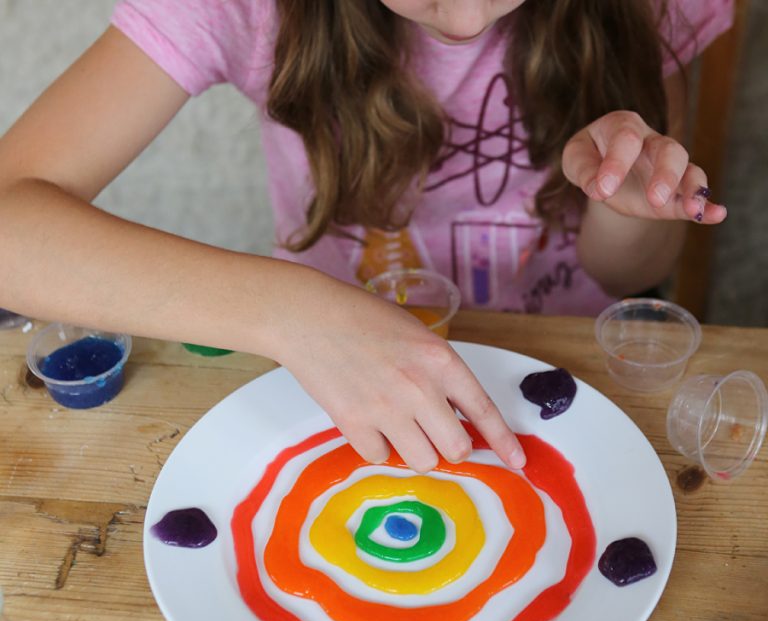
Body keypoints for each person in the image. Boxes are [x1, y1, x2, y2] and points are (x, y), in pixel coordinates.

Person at [0, 0, 732, 473]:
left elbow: (628, 274)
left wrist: (620, 205)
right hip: (332, 392)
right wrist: (291, 313)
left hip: (558, 393)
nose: (469, 15)